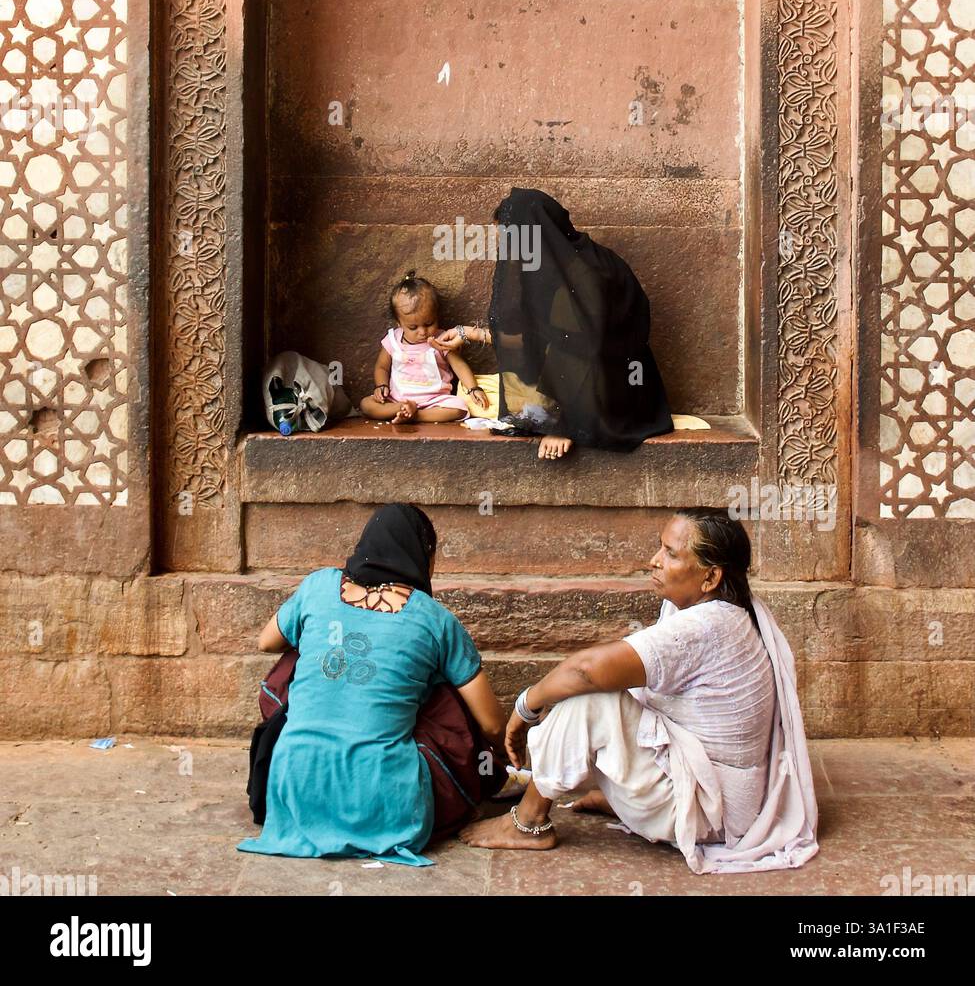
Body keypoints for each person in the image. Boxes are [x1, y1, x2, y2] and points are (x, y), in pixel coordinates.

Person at [460, 508, 819, 875]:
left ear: (710, 577)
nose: (654, 561)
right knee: (617, 691)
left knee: (589, 697)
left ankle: (528, 822)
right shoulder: (726, 611)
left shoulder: (705, 627)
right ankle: (623, 797)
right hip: (722, 801)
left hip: (707, 814)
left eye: (671, 554)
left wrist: (525, 708)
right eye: (660, 549)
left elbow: (587, 670)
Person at [238, 503, 506, 865]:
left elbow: (267, 641)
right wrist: (502, 758)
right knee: (441, 687)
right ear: (424, 558)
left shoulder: (319, 585)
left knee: (297, 654)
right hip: (389, 806)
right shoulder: (435, 620)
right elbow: (490, 723)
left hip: (292, 791)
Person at [433, 188, 673, 459]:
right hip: (597, 379)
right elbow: (543, 340)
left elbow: (586, 350)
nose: (508, 252)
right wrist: (469, 334)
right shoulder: (561, 268)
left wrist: (563, 426)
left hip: (617, 394)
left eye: (513, 241)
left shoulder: (587, 277)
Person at [359, 271, 489, 424]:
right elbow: (382, 367)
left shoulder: (443, 339)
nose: (422, 332)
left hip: (434, 401)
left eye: (429, 324)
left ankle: (414, 415)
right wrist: (381, 386)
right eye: (413, 327)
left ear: (436, 316)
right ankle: (404, 408)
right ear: (399, 323)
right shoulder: (393, 340)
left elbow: (459, 365)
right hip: (397, 399)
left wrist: (473, 388)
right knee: (366, 405)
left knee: (459, 408)